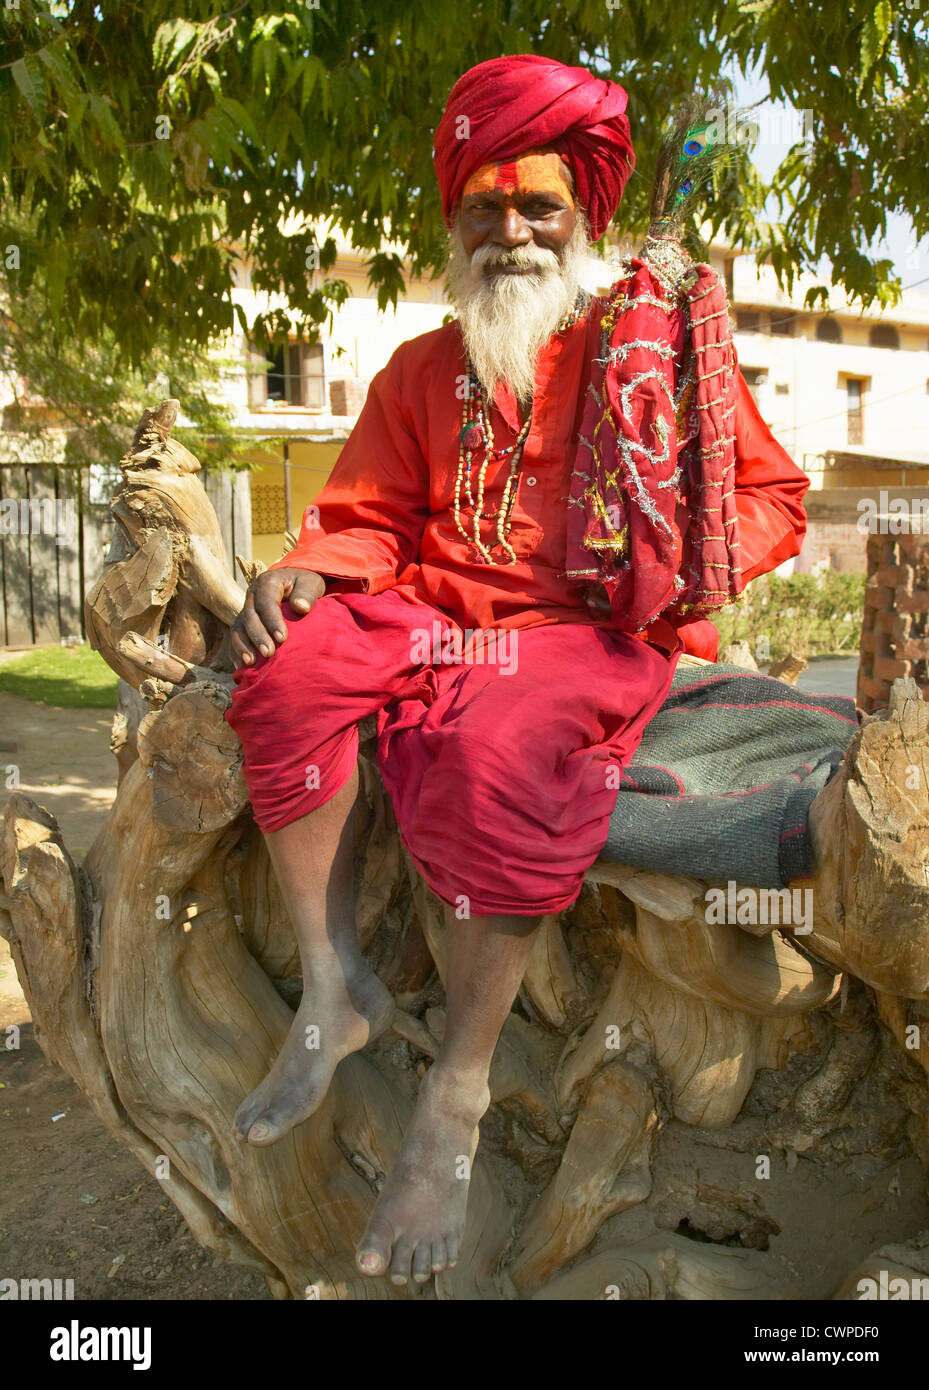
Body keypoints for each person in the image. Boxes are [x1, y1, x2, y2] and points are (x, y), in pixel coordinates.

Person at [224, 53, 809, 1287]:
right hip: (429, 611)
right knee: (281, 680)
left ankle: (458, 1090)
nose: (509, 229)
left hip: (580, 636)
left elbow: (768, 495)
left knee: (496, 755)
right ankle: (334, 987)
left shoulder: (644, 346)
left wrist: (691, 571)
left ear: (581, 215)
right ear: (455, 222)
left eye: (536, 204)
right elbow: (368, 521)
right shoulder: (419, 368)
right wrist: (309, 572)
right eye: (482, 207)